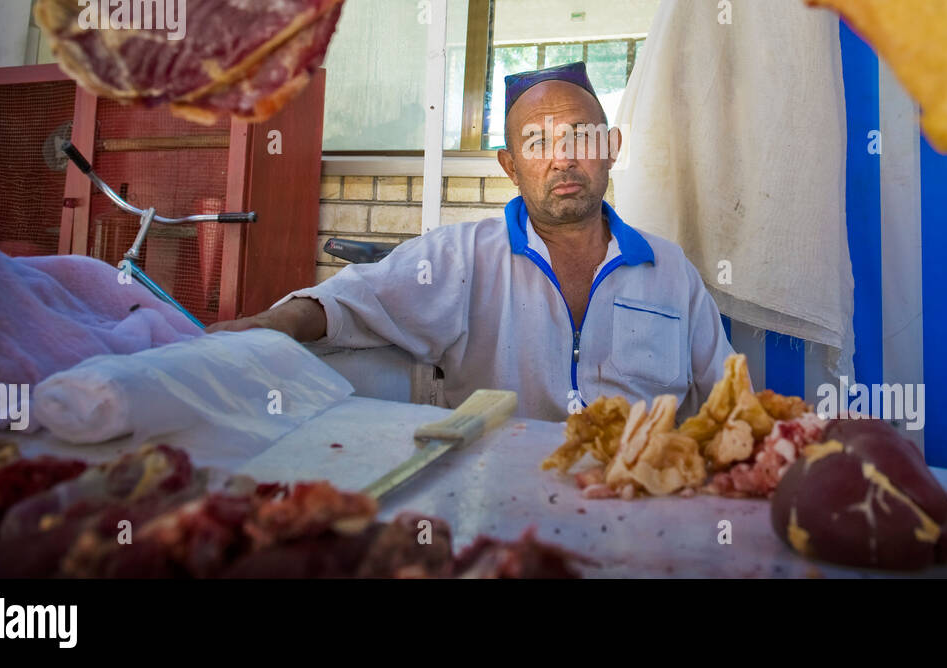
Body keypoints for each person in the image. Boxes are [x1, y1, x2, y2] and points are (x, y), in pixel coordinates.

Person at [208, 61, 734, 421]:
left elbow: (727, 402)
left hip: (639, 512)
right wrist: (264, 326)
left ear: (612, 148)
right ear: (509, 166)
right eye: (536, 143)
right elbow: (347, 303)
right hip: (502, 506)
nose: (563, 158)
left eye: (580, 136)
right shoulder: (462, 258)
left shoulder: (669, 271)